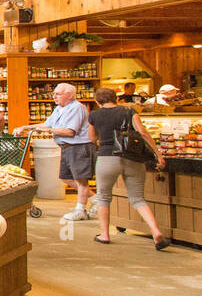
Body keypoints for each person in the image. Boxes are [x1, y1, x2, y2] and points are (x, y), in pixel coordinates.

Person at [88, 87, 169, 249]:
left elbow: (92, 138)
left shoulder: (94, 115)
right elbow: (143, 133)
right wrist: (158, 154)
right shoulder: (129, 111)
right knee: (138, 198)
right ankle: (155, 232)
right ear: (116, 99)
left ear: (98, 101)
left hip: (107, 158)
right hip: (132, 158)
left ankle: (104, 234)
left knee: (103, 197)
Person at [13, 82, 94, 222]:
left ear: (69, 95)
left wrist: (47, 130)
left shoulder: (76, 108)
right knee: (66, 177)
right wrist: (25, 127)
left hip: (79, 147)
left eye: (58, 94)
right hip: (66, 147)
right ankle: (95, 199)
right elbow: (46, 125)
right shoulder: (58, 109)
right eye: (54, 93)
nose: (54, 96)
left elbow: (69, 131)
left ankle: (80, 210)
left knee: (81, 180)